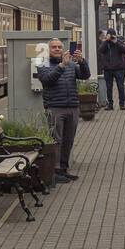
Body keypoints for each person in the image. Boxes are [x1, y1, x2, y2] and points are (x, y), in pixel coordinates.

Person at [36, 38, 90, 182]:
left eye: (60, 47)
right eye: (54, 47)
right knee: (57, 140)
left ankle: (64, 169)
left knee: (68, 140)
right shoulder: (42, 64)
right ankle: (56, 171)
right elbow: (47, 80)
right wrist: (61, 66)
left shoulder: (71, 64)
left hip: (72, 107)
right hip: (55, 107)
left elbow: (85, 75)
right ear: (48, 49)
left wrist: (82, 62)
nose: (57, 49)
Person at [97, 28, 125, 110]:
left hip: (118, 69)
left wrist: (116, 42)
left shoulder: (118, 42)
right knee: (109, 88)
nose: (111, 37)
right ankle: (110, 104)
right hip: (107, 69)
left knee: (120, 86)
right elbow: (100, 50)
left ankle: (122, 104)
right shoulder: (105, 43)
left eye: (112, 35)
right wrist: (106, 41)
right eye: (109, 35)